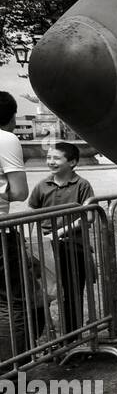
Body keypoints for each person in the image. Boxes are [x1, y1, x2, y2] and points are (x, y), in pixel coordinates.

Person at [28, 141, 96, 334]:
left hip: (73, 247)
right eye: (49, 157)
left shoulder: (82, 185)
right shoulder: (42, 185)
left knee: (73, 293)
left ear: (72, 162)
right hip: (47, 248)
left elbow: (88, 217)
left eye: (56, 158)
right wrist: (33, 240)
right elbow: (32, 212)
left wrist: (59, 232)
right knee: (45, 292)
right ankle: (48, 335)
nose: (51, 161)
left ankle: (73, 337)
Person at [0, 92, 31, 357]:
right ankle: (12, 370)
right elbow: (20, 192)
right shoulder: (7, 139)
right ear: (11, 117)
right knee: (14, 301)